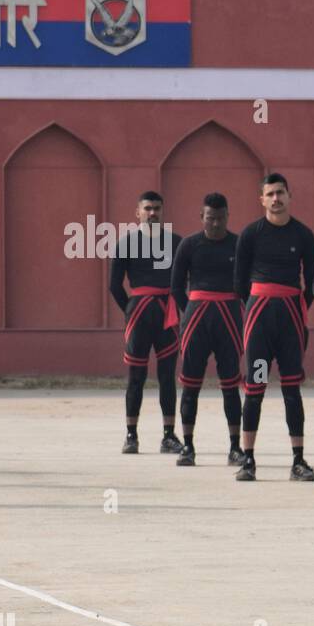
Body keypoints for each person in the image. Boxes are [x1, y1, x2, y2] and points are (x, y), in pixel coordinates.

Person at [232, 173, 314, 483]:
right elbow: (239, 282)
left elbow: (312, 283)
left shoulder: (304, 235)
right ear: (262, 199)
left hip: (291, 320)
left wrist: (294, 308)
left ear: (289, 195)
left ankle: (298, 460)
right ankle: (249, 460)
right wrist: (260, 304)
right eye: (269, 194)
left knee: (291, 389)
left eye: (280, 192)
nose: (275, 199)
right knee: (254, 389)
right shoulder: (251, 234)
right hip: (258, 318)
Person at [170, 192, 244, 467]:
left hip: (229, 317)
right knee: (190, 387)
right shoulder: (189, 245)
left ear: (228, 216)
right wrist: (190, 313)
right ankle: (187, 446)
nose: (215, 223)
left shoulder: (238, 244)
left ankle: (235, 447)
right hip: (196, 318)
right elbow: (177, 286)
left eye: (220, 217)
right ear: (201, 217)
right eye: (210, 218)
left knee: (230, 386)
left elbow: (247, 286)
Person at [109, 191, 182, 455]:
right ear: (137, 213)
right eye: (148, 208)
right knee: (135, 378)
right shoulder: (125, 243)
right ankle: (131, 435)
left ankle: (169, 435)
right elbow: (114, 285)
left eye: (157, 209)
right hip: (139, 314)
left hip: (167, 315)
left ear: (163, 212)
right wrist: (130, 308)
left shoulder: (176, 243)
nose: (153, 213)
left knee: (167, 378)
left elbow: (187, 279)